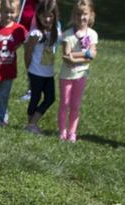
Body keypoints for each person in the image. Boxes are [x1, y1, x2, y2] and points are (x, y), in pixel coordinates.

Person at [56, 0, 96, 143]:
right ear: (73, 15)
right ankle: (62, 131)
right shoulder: (67, 35)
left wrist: (78, 56)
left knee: (75, 106)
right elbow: (66, 57)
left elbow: (92, 55)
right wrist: (85, 55)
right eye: (78, 14)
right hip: (66, 76)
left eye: (84, 14)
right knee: (64, 103)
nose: (81, 17)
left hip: (81, 76)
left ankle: (72, 133)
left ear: (90, 15)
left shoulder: (92, 34)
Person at [22, 0, 58, 133]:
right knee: (35, 98)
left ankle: (32, 123)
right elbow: (28, 51)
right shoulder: (36, 34)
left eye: (50, 16)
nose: (47, 19)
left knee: (50, 98)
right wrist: (28, 68)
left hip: (48, 73)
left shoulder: (55, 31)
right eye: (44, 16)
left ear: (55, 16)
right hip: (36, 72)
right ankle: (31, 124)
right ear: (38, 15)